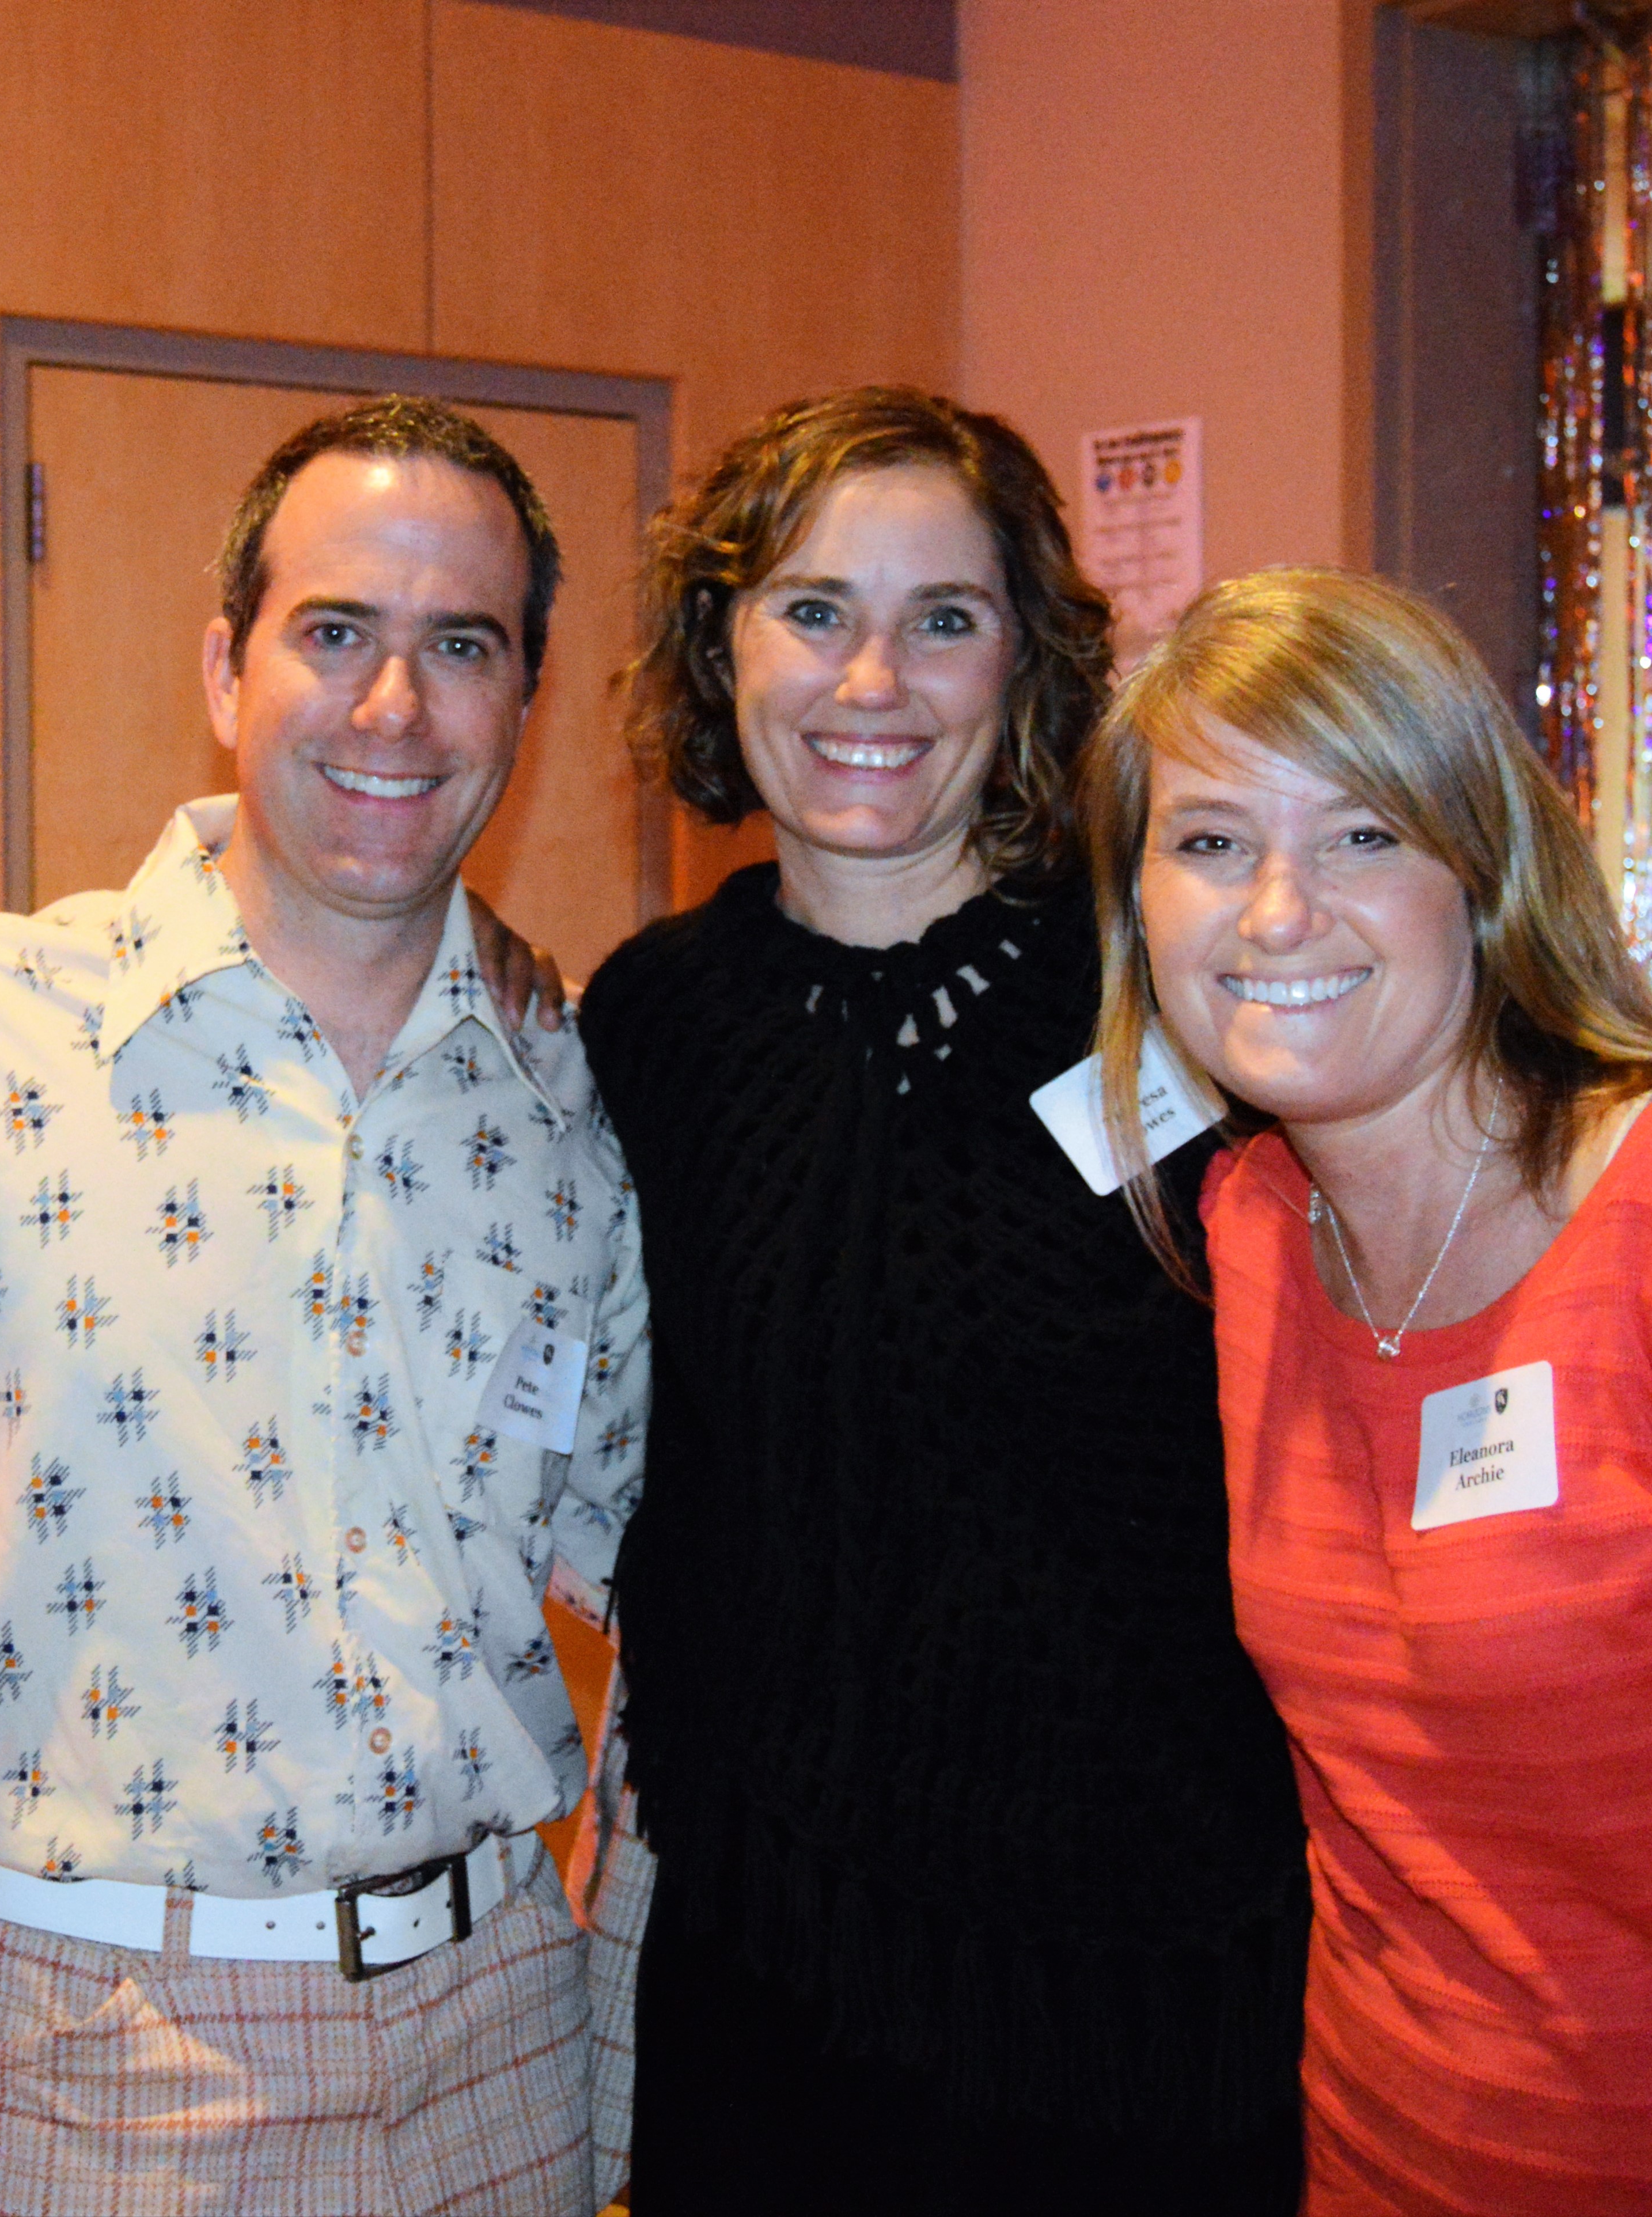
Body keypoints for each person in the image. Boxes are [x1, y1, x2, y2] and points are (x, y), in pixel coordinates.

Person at [1085, 566, 1652, 2213]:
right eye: (1211, 842)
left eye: (1363, 834)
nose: (1278, 911)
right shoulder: (1256, 1233)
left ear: (1484, 866)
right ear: (1139, 905)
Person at [0, 396, 646, 2215]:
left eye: (463, 647)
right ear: (225, 665)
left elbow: (660, 1557)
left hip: (498, 2022)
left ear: (524, 698)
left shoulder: (575, 1096)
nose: (395, 708)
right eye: (335, 633)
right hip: (111, 2033)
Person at [574, 386, 1309, 2209]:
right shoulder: (648, 1021)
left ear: (1030, 667)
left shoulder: (1175, 998)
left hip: (1129, 2008)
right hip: (763, 1982)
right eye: (814, 609)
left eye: (945, 620)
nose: (872, 679)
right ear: (722, 644)